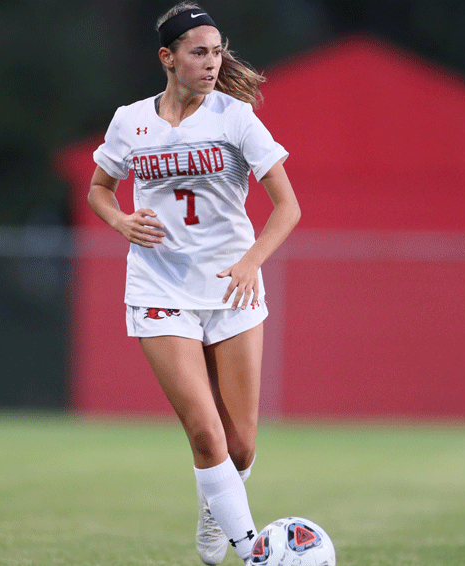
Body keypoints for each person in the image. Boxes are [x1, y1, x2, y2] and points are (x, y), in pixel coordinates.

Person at [87, 3, 300, 564]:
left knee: (240, 445)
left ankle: (214, 507)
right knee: (204, 433)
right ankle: (252, 550)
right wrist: (120, 220)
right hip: (159, 288)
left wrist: (253, 261)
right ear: (168, 58)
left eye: (217, 51)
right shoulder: (130, 120)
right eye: (199, 52)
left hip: (232, 289)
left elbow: (287, 206)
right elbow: (99, 191)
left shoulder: (235, 117)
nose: (213, 62)